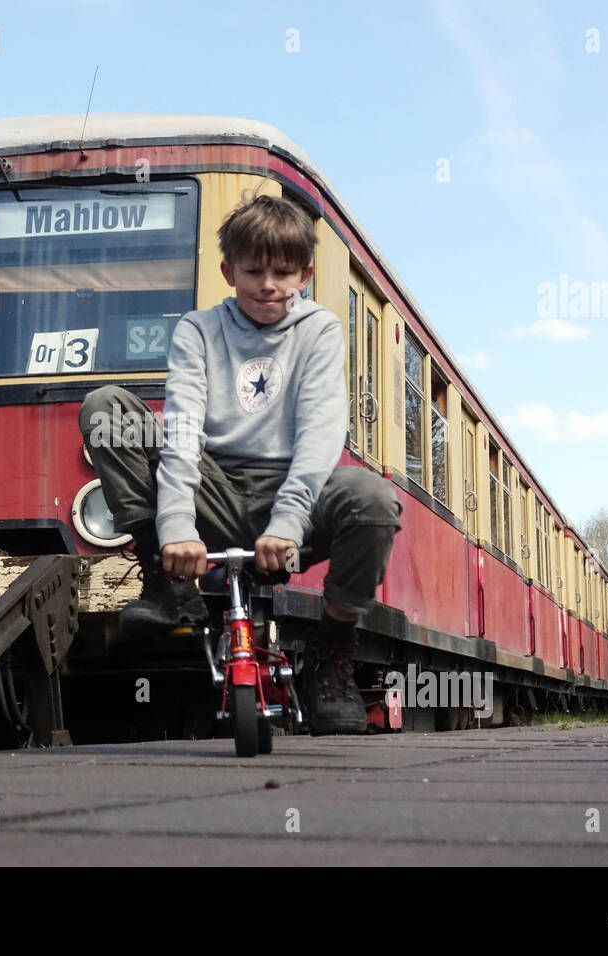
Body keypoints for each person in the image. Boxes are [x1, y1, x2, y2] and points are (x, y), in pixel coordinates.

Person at [79, 194, 403, 735]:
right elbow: (182, 430)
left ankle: (334, 651)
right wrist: (176, 529)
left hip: (290, 496)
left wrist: (288, 523)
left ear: (307, 272)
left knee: (372, 500)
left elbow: (321, 433)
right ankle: (167, 583)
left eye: (284, 272)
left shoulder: (320, 329)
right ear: (228, 270)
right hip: (215, 488)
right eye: (254, 270)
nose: (269, 284)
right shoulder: (198, 330)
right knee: (107, 407)